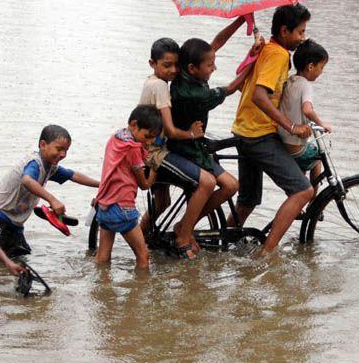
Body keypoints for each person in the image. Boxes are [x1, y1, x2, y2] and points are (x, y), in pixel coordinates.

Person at [230, 4, 316, 257]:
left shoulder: (267, 48)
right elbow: (259, 96)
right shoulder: (277, 55)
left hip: (244, 130)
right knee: (303, 190)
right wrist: (291, 126)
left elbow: (247, 87)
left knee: (247, 202)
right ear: (284, 31)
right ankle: (266, 254)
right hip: (259, 135)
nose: (303, 38)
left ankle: (220, 243)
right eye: (300, 32)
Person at [166, 38, 252, 257]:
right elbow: (231, 88)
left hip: (197, 146)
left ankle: (185, 225)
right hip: (185, 148)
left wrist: (242, 27)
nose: (214, 68)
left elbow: (214, 44)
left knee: (231, 185)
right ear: (192, 68)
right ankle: (184, 235)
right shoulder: (196, 95)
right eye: (210, 65)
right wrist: (254, 63)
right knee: (210, 183)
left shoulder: (188, 73)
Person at [137, 38, 212, 251]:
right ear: (152, 63)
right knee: (206, 182)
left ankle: (139, 240)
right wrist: (191, 134)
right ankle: (183, 236)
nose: (173, 70)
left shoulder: (153, 81)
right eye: (167, 65)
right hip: (154, 152)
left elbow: (209, 50)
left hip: (144, 149)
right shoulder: (160, 86)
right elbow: (170, 130)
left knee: (162, 203)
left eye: (176, 65)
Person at [0, 125, 99, 257]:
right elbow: (27, 180)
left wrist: (102, 185)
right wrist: (52, 200)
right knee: (5, 260)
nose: (63, 154)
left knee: (21, 255)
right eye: (59, 149)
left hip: (12, 222)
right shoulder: (35, 163)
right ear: (43, 145)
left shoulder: (50, 167)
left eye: (66, 150)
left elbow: (73, 175)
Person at [94, 105, 163, 269]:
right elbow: (144, 185)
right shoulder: (132, 148)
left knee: (102, 257)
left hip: (104, 205)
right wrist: (154, 170)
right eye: (147, 136)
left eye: (152, 138)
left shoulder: (115, 138)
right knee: (143, 256)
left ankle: (102, 284)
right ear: (134, 124)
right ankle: (140, 286)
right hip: (122, 207)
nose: (149, 142)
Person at [278, 39, 332, 196]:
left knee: (301, 172)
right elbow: (307, 110)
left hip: (282, 142)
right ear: (310, 66)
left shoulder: (289, 81)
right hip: (296, 147)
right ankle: (313, 202)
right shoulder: (306, 85)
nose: (321, 72)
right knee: (318, 159)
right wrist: (321, 124)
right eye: (321, 67)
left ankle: (298, 197)